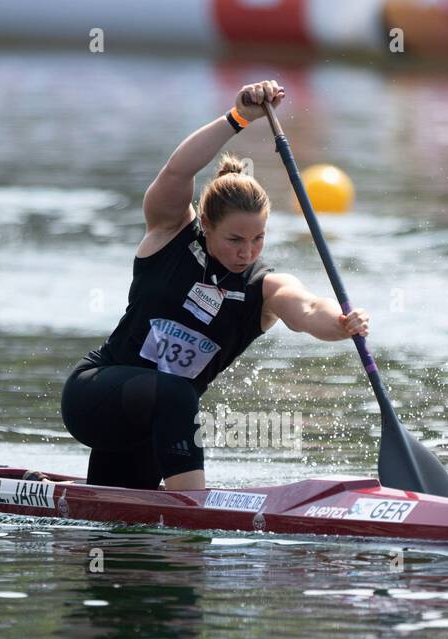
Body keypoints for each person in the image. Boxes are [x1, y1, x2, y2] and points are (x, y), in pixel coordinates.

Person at [60, 79, 371, 490]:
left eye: (258, 239)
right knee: (176, 395)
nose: (247, 252)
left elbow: (308, 309)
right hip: (95, 396)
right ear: (206, 225)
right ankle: (196, 519)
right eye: (235, 240)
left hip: (149, 427)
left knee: (122, 534)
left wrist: (342, 323)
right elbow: (178, 170)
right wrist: (238, 117)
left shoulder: (265, 286)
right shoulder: (171, 233)